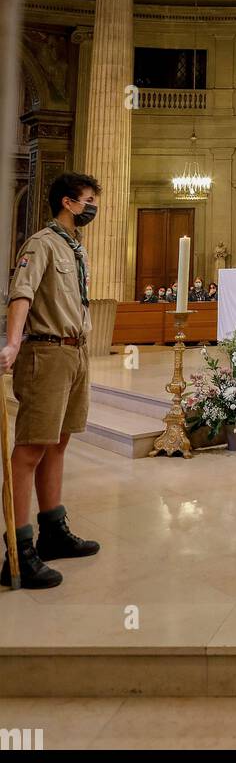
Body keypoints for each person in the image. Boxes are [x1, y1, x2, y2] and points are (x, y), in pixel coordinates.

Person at [0, 172, 102, 589]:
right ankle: (17, 552)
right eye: (89, 199)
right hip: (46, 350)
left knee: (60, 441)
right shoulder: (41, 244)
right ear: (68, 202)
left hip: (75, 350)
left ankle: (53, 532)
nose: (94, 206)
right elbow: (21, 293)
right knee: (30, 449)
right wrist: (11, 344)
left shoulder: (74, 248)